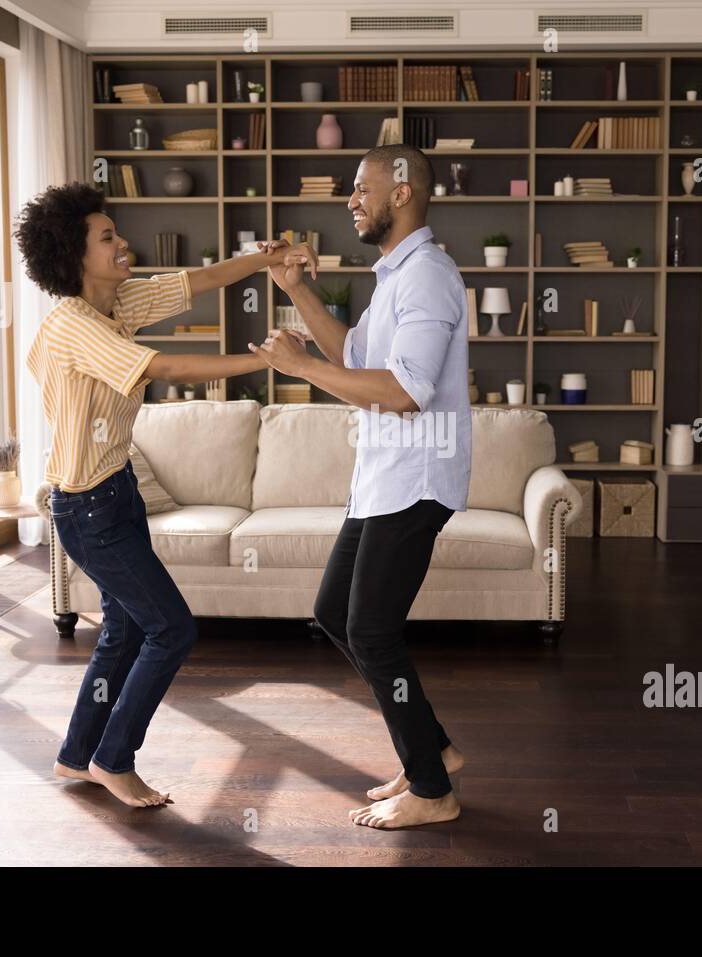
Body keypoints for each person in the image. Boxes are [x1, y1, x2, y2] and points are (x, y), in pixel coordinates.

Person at [15, 181, 314, 808]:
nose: (123, 243)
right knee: (171, 629)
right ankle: (115, 760)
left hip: (114, 491)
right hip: (86, 507)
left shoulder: (117, 301)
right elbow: (164, 369)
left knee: (124, 630)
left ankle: (78, 754)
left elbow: (198, 281)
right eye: (107, 237)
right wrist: (266, 361)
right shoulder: (74, 325)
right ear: (75, 257)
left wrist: (267, 258)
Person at [250, 144, 471, 829]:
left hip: (417, 478)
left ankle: (433, 788)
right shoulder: (397, 277)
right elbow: (354, 355)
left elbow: (407, 391)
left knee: (372, 630)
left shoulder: (428, 277)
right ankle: (431, 745)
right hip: (381, 479)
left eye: (360, 188)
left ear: (401, 192)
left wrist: (300, 370)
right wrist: (297, 293)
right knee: (335, 611)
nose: (350, 200)